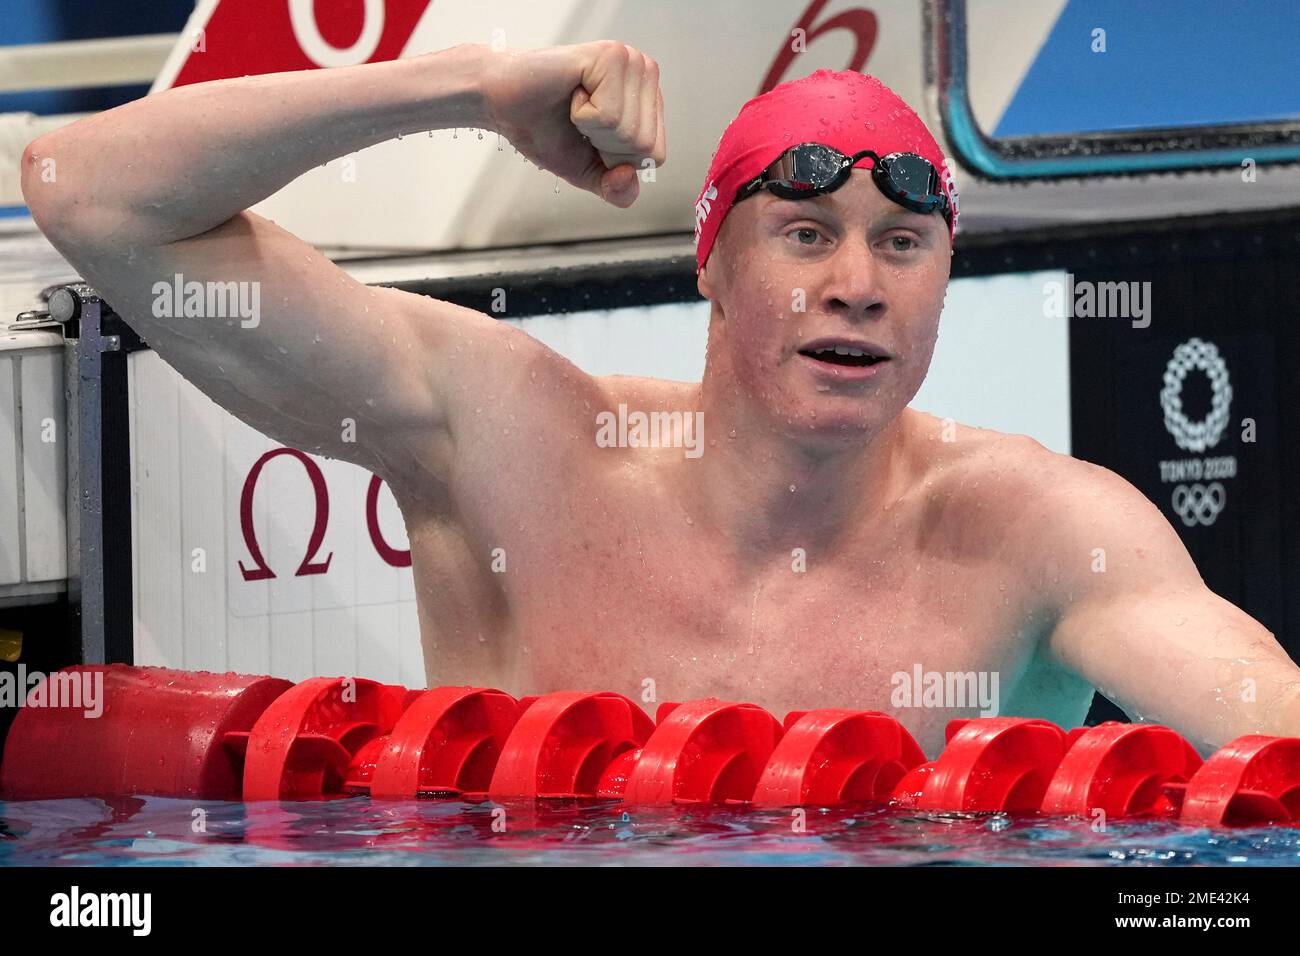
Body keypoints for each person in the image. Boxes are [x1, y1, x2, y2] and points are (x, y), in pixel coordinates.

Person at [21, 41, 1298, 757]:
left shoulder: (1036, 533)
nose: (856, 284)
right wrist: (464, 91)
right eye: (803, 234)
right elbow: (82, 185)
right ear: (712, 264)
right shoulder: (513, 446)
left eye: (903, 244)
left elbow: (1275, 736)